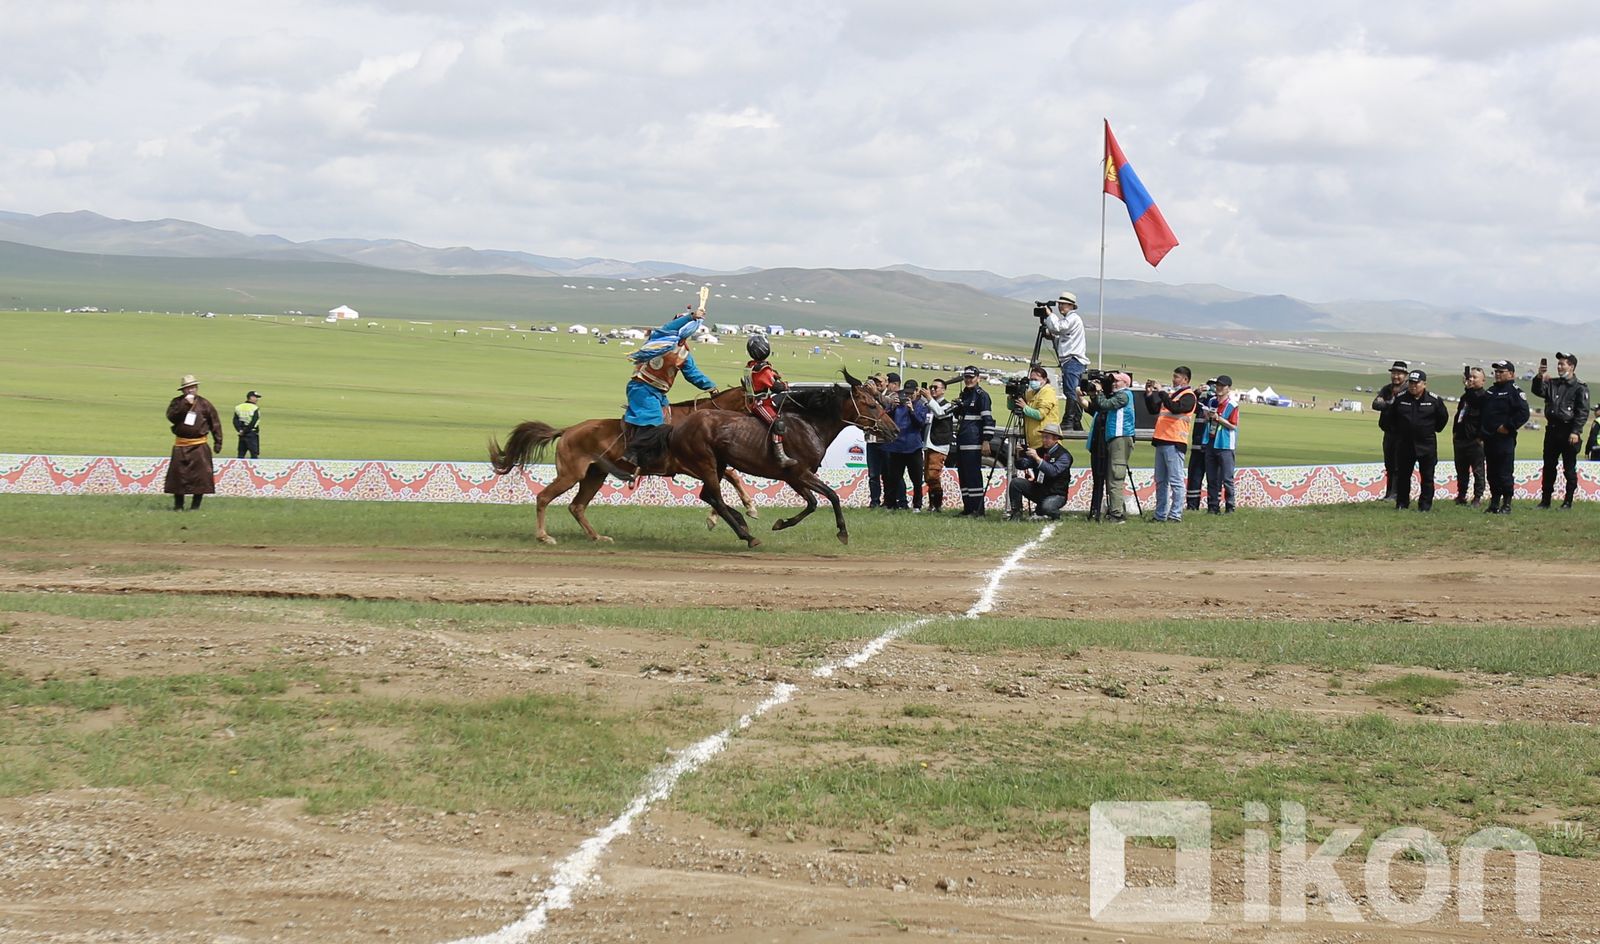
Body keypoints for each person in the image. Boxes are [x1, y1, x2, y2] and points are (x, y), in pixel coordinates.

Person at [620, 307, 719, 477]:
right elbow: (670, 326)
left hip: (659, 394)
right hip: (642, 388)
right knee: (656, 422)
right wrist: (691, 316)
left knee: (673, 422)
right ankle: (632, 456)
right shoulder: (662, 337)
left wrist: (711, 387)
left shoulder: (684, 354)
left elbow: (693, 374)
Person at [1382, 370, 1449, 511]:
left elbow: (1442, 419)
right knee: (1403, 476)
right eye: (1411, 383)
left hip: (1426, 445)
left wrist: (1430, 430)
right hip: (1405, 444)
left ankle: (1424, 506)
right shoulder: (1400, 398)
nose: (1413, 386)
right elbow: (1389, 417)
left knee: (1427, 477)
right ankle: (1401, 503)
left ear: (1424, 384)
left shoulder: (1434, 400)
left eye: (1416, 383)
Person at [1530, 352, 1590, 509]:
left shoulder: (1579, 387)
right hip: (1552, 430)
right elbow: (1538, 391)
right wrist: (1539, 376)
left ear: (1571, 366)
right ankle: (1545, 501)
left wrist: (1576, 431)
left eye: (1562, 364)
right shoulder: (1552, 383)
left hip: (1568, 431)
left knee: (1569, 468)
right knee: (1549, 466)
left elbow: (1582, 412)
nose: (1559, 366)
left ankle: (1568, 501)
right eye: (1558, 364)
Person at [1080, 371, 1135, 523]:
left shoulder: (1124, 395)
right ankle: (1115, 510)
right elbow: (1098, 406)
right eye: (1113, 381)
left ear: (1126, 383)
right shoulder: (1119, 395)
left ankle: (1117, 514)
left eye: (1117, 381)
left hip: (1120, 438)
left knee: (1115, 476)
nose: (1114, 383)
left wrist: (1099, 392)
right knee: (1112, 475)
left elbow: (1104, 404)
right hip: (1114, 438)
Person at [1145, 366, 1198, 523]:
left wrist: (1161, 391)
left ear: (1185, 380)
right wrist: (1149, 395)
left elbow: (1175, 409)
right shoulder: (1171, 395)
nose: (1173, 379)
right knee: (1161, 480)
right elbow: (1154, 409)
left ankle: (1175, 514)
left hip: (1175, 441)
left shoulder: (1189, 396)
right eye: (1173, 376)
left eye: (1177, 377)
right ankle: (1160, 514)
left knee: (1176, 480)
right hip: (1162, 439)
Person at [164, 374, 222, 511]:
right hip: (181, 445)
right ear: (183, 390)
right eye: (188, 388)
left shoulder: (205, 404)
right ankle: (178, 506)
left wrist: (218, 441)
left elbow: (215, 423)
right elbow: (172, 417)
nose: (191, 390)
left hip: (199, 446)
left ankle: (195, 507)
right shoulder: (176, 403)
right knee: (178, 476)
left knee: (201, 477)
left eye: (193, 387)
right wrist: (185, 405)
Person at [1480, 359, 1530, 514]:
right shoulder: (1491, 391)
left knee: (1504, 472)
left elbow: (1523, 413)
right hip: (1489, 438)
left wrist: (1508, 426)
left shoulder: (1515, 392)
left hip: (1504, 439)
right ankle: (1494, 503)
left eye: (1501, 372)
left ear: (1511, 374)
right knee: (1492, 473)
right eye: (1496, 372)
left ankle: (1506, 503)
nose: (1498, 374)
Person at [742, 335, 796, 467]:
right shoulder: (763, 369)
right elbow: (776, 387)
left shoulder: (751, 366)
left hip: (753, 401)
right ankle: (780, 456)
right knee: (777, 424)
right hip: (760, 403)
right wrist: (785, 385)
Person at [1008, 423, 1074, 520]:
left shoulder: (1064, 456)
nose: (1044, 440)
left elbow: (1053, 471)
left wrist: (1037, 459)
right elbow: (1022, 465)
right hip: (1039, 489)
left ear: (1056, 439)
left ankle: (1053, 514)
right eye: (1043, 437)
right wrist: (1019, 455)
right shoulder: (1039, 451)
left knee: (1047, 507)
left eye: (1047, 438)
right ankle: (1016, 513)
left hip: (1056, 493)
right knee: (1016, 483)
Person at [1043, 292, 1088, 430]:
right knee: (1076, 391)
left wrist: (1050, 315)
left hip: (1072, 360)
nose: (1060, 306)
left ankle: (1069, 420)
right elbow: (1064, 338)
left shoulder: (1072, 319)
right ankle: (1076, 421)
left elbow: (1057, 327)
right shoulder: (1071, 320)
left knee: (1072, 391)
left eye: (1063, 304)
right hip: (1073, 360)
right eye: (1059, 304)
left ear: (1071, 305)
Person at [954, 366, 996, 516]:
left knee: (973, 477)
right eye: (966, 377)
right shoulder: (964, 394)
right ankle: (968, 508)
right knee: (964, 477)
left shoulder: (981, 395)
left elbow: (988, 419)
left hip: (973, 441)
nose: (968, 380)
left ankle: (978, 510)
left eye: (971, 377)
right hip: (962, 440)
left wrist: (986, 441)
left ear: (978, 378)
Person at [881, 379, 929, 510]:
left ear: (916, 391)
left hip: (914, 447)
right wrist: (892, 408)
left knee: (917, 479)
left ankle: (917, 505)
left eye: (911, 393)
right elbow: (886, 419)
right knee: (893, 478)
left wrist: (912, 410)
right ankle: (891, 504)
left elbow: (920, 423)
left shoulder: (921, 406)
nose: (908, 396)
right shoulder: (898, 405)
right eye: (906, 393)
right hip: (897, 447)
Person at [1371, 360, 1410, 501]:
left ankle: (1396, 494)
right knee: (1389, 464)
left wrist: (1386, 404)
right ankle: (1389, 493)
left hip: (1403, 434)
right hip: (1388, 432)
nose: (1396, 376)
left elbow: (1403, 409)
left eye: (1399, 374)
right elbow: (1375, 404)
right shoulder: (1386, 389)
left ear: (1405, 375)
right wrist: (1390, 404)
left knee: (1399, 465)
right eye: (1394, 373)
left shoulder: (1408, 391)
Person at [1204, 375, 1241, 514]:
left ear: (1228, 388)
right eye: (1217, 385)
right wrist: (1207, 415)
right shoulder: (1211, 401)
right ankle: (1213, 506)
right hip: (1211, 441)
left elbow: (1233, 426)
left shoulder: (1233, 405)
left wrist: (1218, 419)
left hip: (1225, 444)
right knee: (1211, 477)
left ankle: (1230, 506)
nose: (1219, 388)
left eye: (1222, 386)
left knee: (1227, 478)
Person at [1452, 367, 1488, 506]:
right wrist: (1455, 432)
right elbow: (1459, 414)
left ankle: (1477, 497)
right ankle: (1461, 495)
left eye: (1474, 377)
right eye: (1470, 377)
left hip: (1475, 440)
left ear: (1483, 381)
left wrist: (1480, 437)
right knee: (1461, 470)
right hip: (1461, 438)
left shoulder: (1484, 397)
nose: (1471, 380)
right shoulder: (1465, 397)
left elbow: (1477, 405)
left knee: (1478, 470)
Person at [919, 379, 955, 512]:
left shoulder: (948, 405)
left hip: (939, 445)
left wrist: (928, 398)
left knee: (933, 474)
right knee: (928, 476)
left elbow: (940, 413)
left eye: (936, 387)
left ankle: (937, 505)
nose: (932, 389)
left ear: (943, 390)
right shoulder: (928, 404)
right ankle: (932, 504)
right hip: (928, 443)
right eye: (931, 387)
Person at [1010, 364, 1063, 450]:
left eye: (1035, 379)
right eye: (1031, 380)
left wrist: (1025, 407)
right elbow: (1013, 407)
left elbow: (1040, 415)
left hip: (1046, 441)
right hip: (1034, 442)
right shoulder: (1032, 393)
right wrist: (1012, 396)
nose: (1032, 382)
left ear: (1044, 380)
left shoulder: (1047, 392)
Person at [1185, 378, 1216, 511]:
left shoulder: (1219, 403)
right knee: (1194, 478)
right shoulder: (1201, 402)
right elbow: (1189, 404)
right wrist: (1196, 392)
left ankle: (1213, 506)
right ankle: (1192, 506)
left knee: (1213, 478)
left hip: (1212, 447)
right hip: (1198, 447)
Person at [862, 374, 890, 508]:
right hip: (871, 440)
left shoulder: (892, 395)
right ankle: (874, 501)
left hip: (885, 441)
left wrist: (876, 393)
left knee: (888, 473)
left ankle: (889, 501)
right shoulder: (867, 396)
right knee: (873, 474)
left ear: (886, 383)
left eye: (879, 382)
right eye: (874, 382)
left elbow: (889, 405)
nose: (876, 384)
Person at [233, 390, 262, 459]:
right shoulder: (255, 408)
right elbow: (254, 422)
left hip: (241, 433)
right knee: (254, 454)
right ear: (251, 397)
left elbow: (235, 420)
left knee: (241, 454)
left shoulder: (238, 407)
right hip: (251, 433)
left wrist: (240, 430)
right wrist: (245, 431)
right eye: (255, 397)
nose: (257, 399)